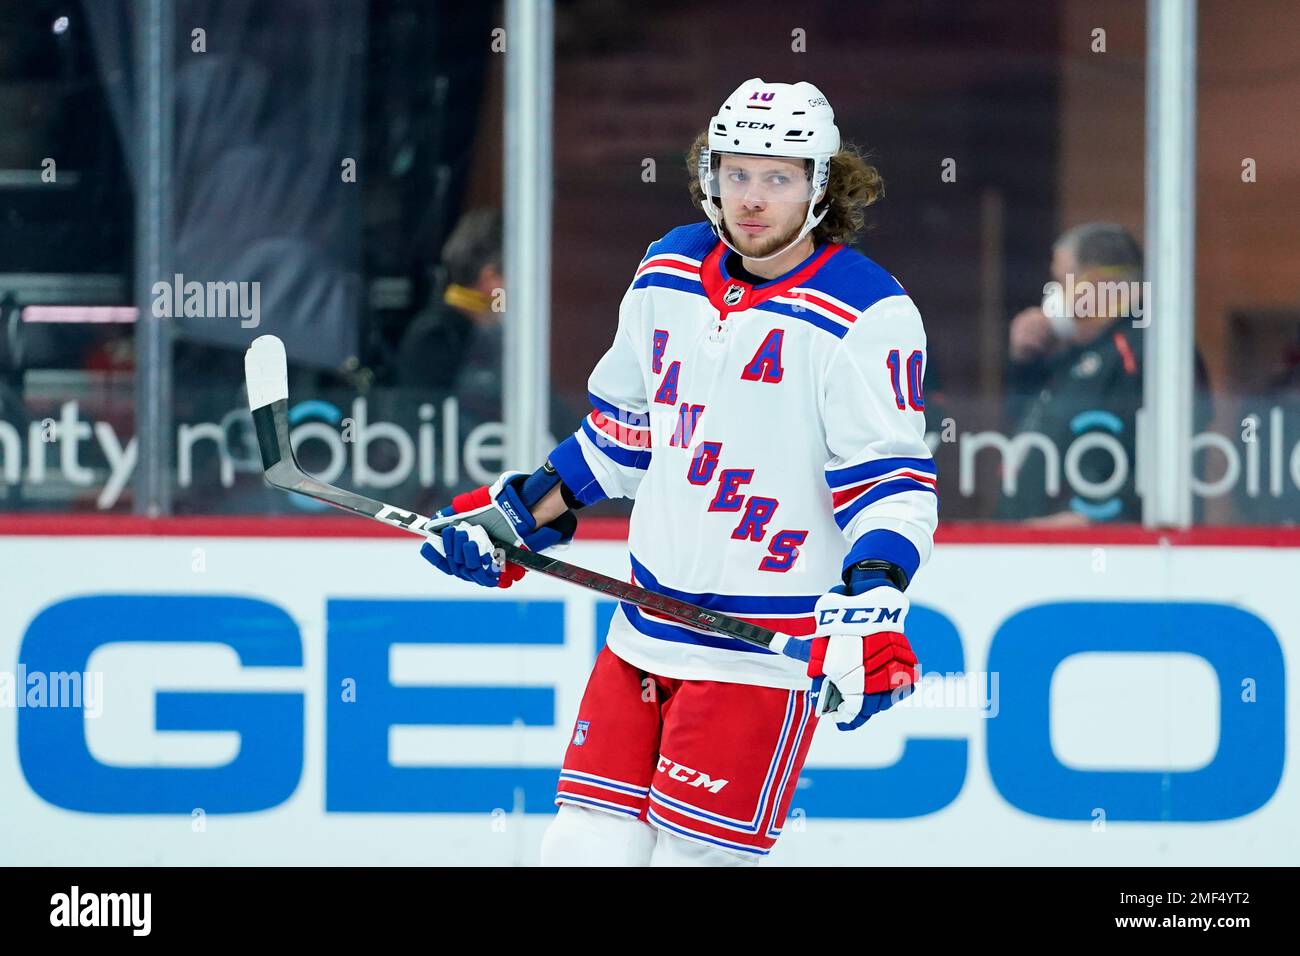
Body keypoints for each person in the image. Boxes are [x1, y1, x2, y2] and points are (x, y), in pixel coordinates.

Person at [419, 79, 937, 865]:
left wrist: (872, 597)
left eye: (779, 177)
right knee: (576, 850)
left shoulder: (866, 309)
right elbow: (624, 432)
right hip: (643, 628)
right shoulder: (668, 267)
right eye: (736, 172)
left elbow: (889, 484)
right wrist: (523, 511)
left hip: (758, 653)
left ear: (821, 187)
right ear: (709, 175)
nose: (752, 198)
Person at [999, 223, 1207, 523]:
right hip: (1029, 546)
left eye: (1060, 281)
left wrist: (1089, 519)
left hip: (1096, 553)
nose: (1053, 295)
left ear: (1097, 282)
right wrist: (1024, 361)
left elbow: (1169, 463)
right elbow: (1020, 423)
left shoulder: (1154, 351)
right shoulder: (1073, 355)